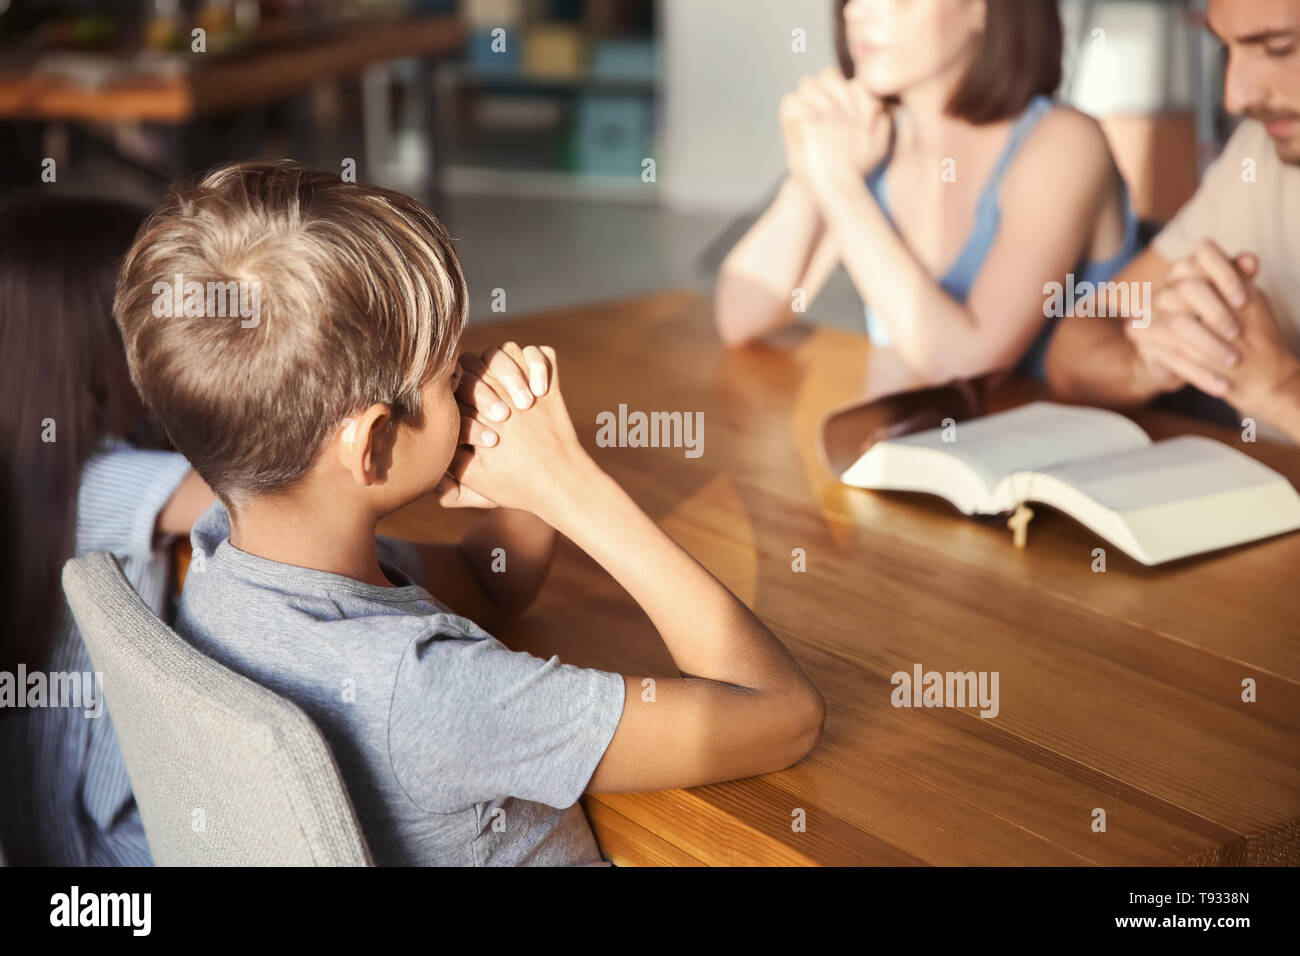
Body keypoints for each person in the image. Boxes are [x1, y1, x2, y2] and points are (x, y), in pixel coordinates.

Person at [112, 160, 825, 866]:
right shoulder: (435, 694)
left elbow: (490, 587)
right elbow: (784, 715)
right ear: (375, 443)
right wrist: (575, 487)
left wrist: (529, 487)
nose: (473, 376)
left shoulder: (226, 558)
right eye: (452, 377)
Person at [716, 0, 1138, 384]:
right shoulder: (871, 143)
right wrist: (812, 169)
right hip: (924, 445)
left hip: (1058, 459)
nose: (856, 11)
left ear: (982, 10)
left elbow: (970, 365)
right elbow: (739, 317)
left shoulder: (1065, 144)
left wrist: (838, 185)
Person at [0, 195, 213, 865]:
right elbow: (258, 487)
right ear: (99, 351)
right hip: (99, 846)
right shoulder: (97, 485)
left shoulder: (38, 468)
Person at [1046, 0, 1300, 444]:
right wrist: (1149, 362)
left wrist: (1277, 388)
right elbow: (1076, 344)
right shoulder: (1259, 155)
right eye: (1226, 50)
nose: (1235, 97)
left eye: (1279, 48)